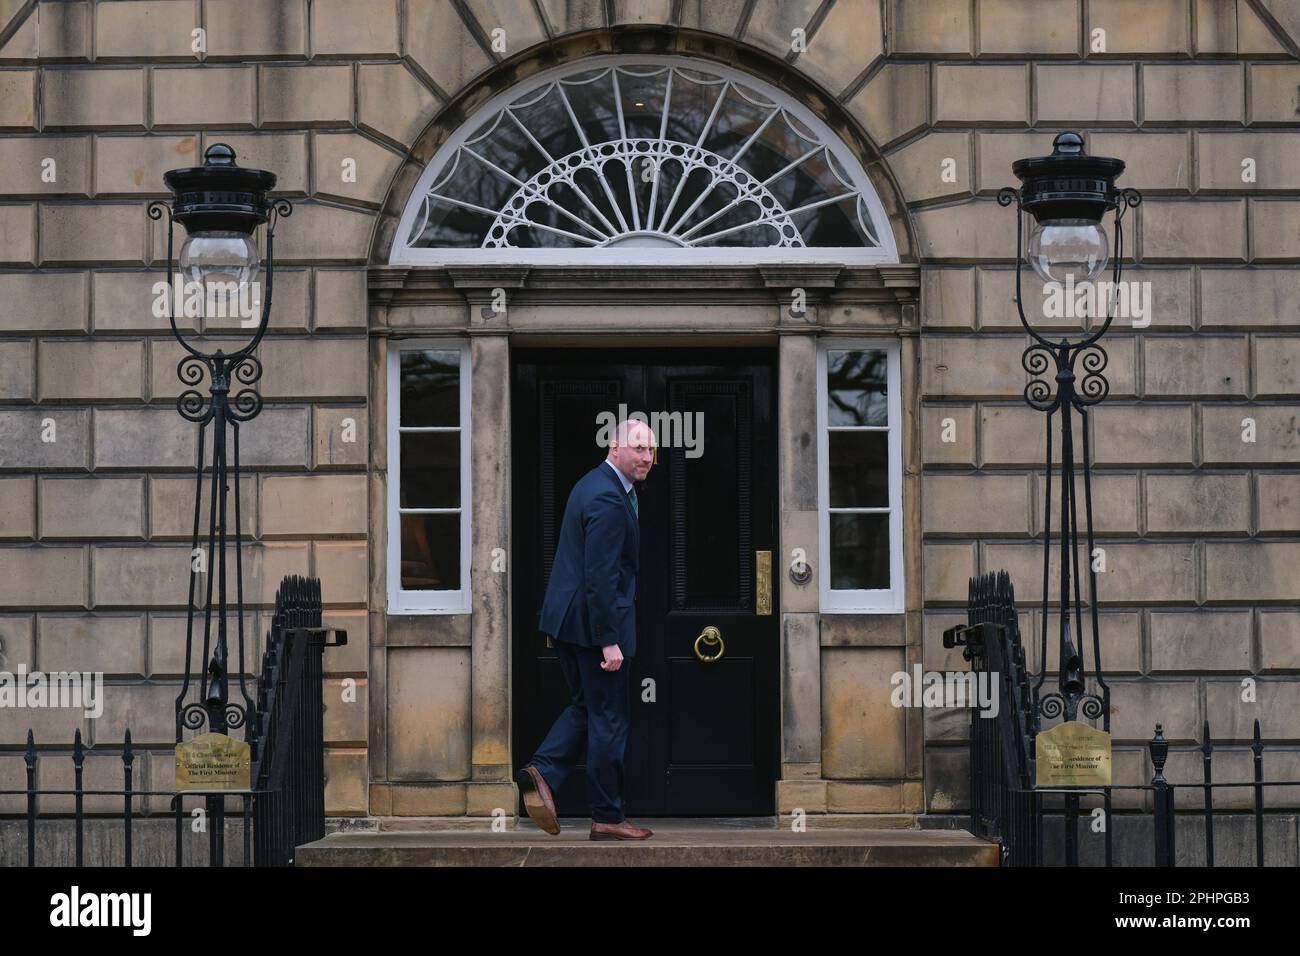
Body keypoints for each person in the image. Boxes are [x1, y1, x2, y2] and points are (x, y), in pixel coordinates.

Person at [517, 418, 655, 840]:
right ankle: (608, 817)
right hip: (594, 628)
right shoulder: (609, 500)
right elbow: (600, 577)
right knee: (609, 720)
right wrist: (608, 640)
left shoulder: (593, 484)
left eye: (652, 450)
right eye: (639, 448)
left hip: (569, 624)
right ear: (615, 446)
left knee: (587, 707)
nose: (647, 458)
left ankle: (543, 770)